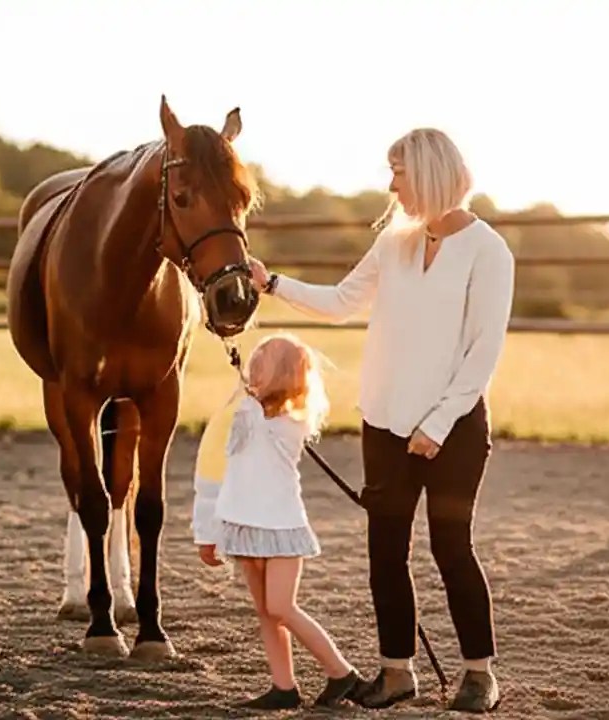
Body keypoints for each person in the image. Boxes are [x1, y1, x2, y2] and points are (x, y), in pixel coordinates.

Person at [247, 127, 515, 713]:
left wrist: (438, 425)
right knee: (385, 552)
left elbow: (483, 352)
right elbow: (343, 300)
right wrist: (272, 284)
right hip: (385, 424)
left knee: (451, 548)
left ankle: (479, 674)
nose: (391, 184)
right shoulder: (394, 243)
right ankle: (397, 673)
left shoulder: (489, 251)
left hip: (455, 430)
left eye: (399, 172)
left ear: (428, 173)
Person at [191, 332, 367, 710]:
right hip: (243, 526)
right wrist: (207, 532)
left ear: (285, 375)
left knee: (281, 607)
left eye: (263, 359)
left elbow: (254, 410)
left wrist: (244, 380)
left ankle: (341, 673)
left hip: (281, 529)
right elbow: (216, 467)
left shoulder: (288, 423)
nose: (254, 363)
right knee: (265, 612)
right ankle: (283, 686)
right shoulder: (243, 413)